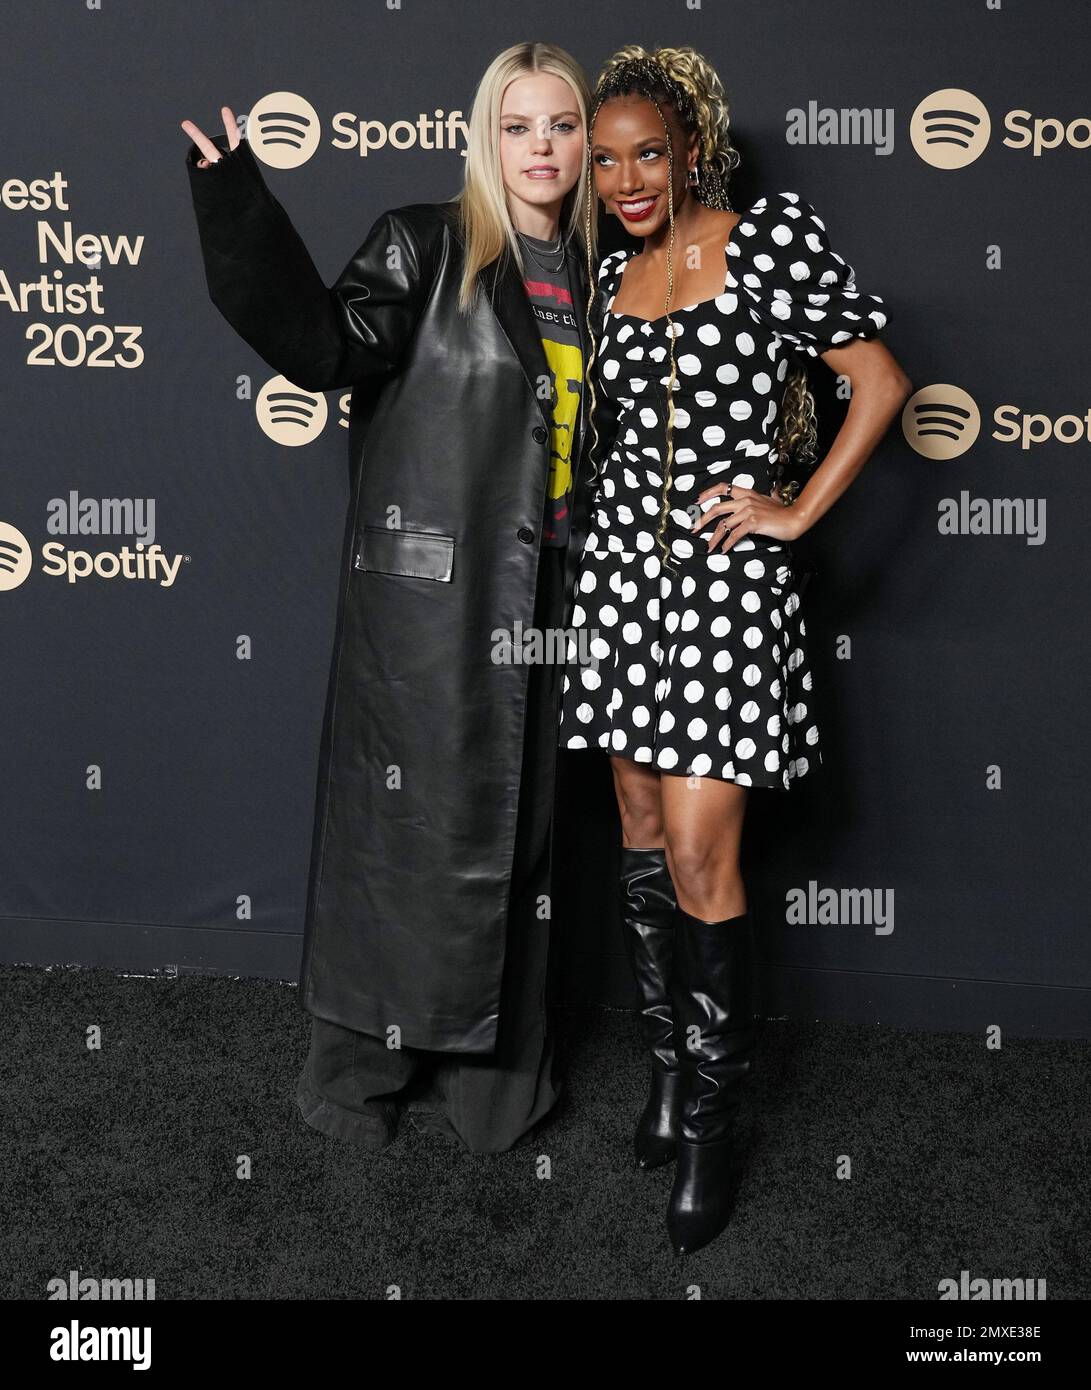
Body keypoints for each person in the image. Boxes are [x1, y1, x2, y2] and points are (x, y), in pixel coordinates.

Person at [181, 42, 598, 1154]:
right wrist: (238, 207)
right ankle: (353, 1078)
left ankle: (496, 1084)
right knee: (400, 836)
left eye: (561, 125)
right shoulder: (428, 242)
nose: (542, 147)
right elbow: (320, 348)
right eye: (518, 126)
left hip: (559, 594)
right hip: (429, 603)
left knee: (528, 837)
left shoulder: (612, 274)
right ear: (486, 137)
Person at [562, 44, 913, 1254]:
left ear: (691, 146)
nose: (624, 179)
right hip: (620, 582)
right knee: (641, 829)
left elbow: (875, 379)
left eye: (645, 153)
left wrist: (794, 508)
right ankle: (666, 1070)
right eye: (604, 162)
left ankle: (711, 1124)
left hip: (722, 589)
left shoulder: (764, 240)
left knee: (705, 847)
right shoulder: (610, 273)